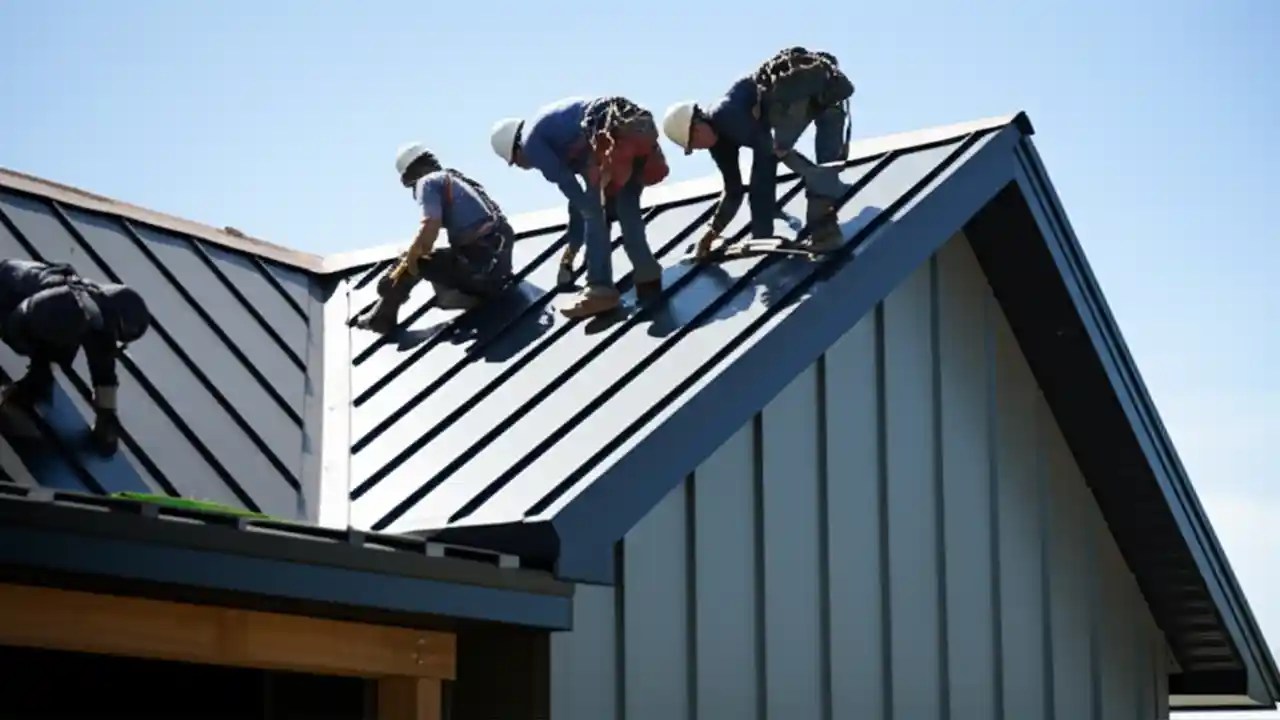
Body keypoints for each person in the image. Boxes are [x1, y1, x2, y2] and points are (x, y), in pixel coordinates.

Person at [661, 47, 855, 259]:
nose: (699, 148)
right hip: (807, 103)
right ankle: (829, 201)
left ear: (697, 125)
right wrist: (711, 232)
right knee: (801, 163)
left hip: (820, 98)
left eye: (694, 142)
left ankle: (825, 234)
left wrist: (760, 237)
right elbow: (733, 190)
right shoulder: (719, 143)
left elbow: (766, 160)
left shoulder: (726, 114)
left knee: (810, 166)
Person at [490, 95, 669, 318]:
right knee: (627, 209)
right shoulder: (557, 130)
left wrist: (589, 213)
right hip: (636, 128)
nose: (522, 166)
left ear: (516, 150)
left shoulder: (531, 143)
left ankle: (599, 288)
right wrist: (570, 255)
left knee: (595, 214)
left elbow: (573, 193)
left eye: (515, 162)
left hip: (611, 136)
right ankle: (648, 279)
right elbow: (576, 207)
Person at [350, 143, 516, 334]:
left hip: (480, 275)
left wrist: (407, 263)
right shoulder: (458, 181)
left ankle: (382, 318)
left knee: (417, 259)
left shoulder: (428, 182)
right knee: (419, 256)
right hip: (497, 273)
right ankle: (381, 312)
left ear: (412, 173)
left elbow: (430, 225)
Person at [0, 258, 151, 456]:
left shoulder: (91, 308)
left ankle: (28, 388)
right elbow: (22, 320)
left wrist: (107, 414)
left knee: (68, 342)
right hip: (7, 298)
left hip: (23, 308)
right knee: (65, 341)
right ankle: (16, 396)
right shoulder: (69, 303)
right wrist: (40, 369)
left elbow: (103, 365)